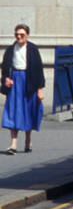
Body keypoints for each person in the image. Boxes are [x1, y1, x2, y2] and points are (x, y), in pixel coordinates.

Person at [2, 25, 45, 153]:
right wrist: (6, 79)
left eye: (22, 34)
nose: (19, 37)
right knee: (13, 110)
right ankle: (13, 144)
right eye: (17, 34)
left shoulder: (32, 49)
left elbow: (39, 70)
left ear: (27, 35)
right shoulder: (10, 49)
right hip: (15, 82)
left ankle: (28, 139)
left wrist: (40, 89)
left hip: (29, 81)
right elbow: (5, 67)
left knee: (29, 111)